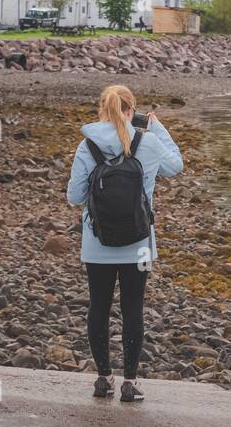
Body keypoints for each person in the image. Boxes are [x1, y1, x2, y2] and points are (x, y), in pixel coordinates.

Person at [66, 85, 183, 402]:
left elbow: (74, 197)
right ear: (133, 111)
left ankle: (104, 379)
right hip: (140, 244)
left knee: (99, 308)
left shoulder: (87, 146)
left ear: (102, 110)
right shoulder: (149, 141)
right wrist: (157, 126)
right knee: (133, 309)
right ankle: (130, 384)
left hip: (97, 243)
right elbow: (176, 166)